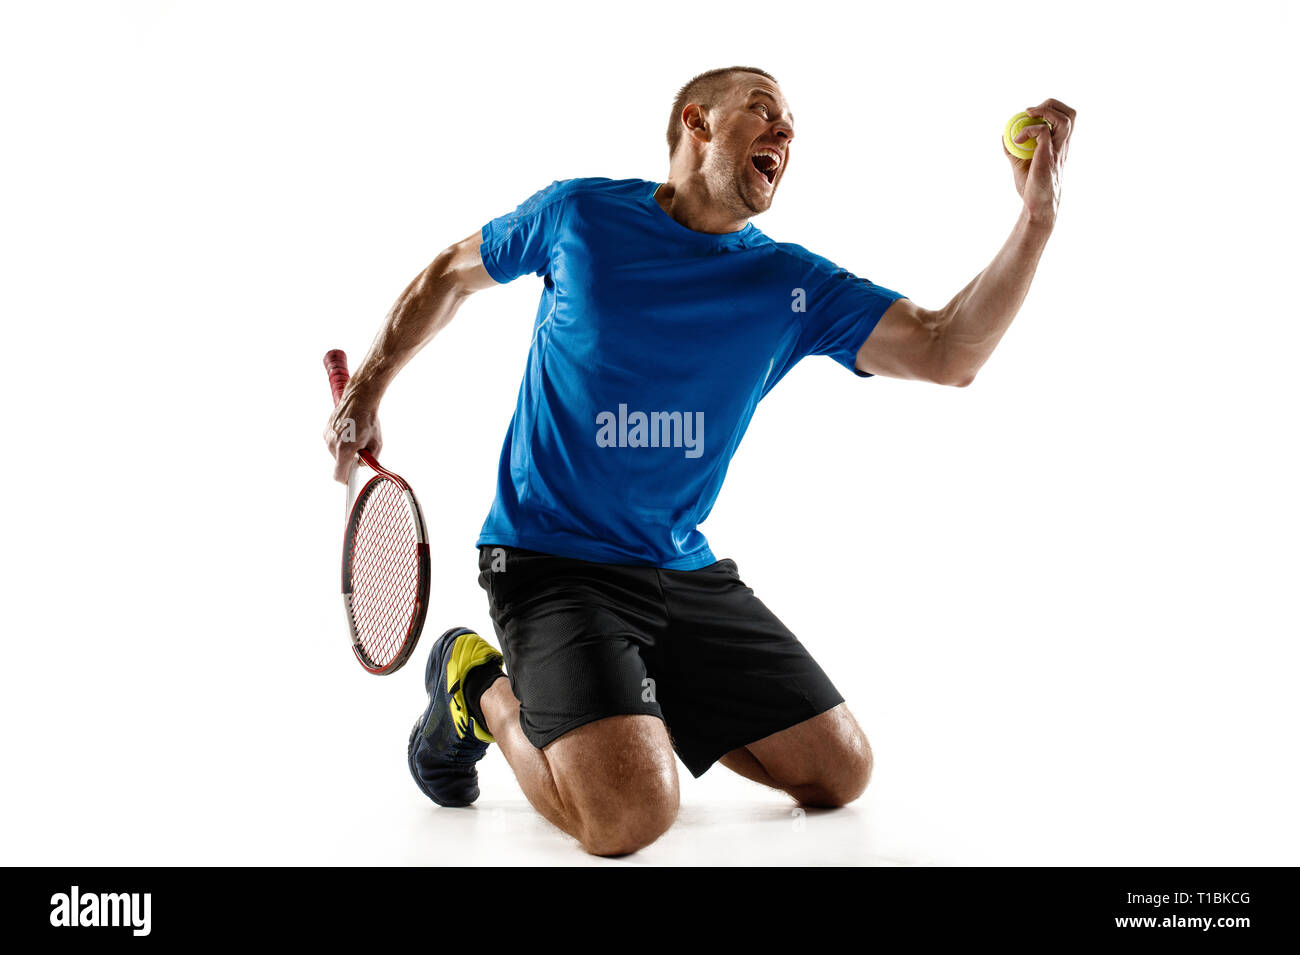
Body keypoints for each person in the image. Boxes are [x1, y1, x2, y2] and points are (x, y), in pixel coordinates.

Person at [324, 66, 1073, 857]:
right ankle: (478, 686)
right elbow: (450, 274)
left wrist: (1036, 221)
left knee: (841, 774)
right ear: (698, 123)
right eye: (763, 111)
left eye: (792, 126)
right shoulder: (579, 216)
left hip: (680, 569)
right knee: (628, 820)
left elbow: (949, 349)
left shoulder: (788, 285)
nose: (784, 133)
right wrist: (369, 388)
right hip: (551, 563)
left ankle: (624, 693)